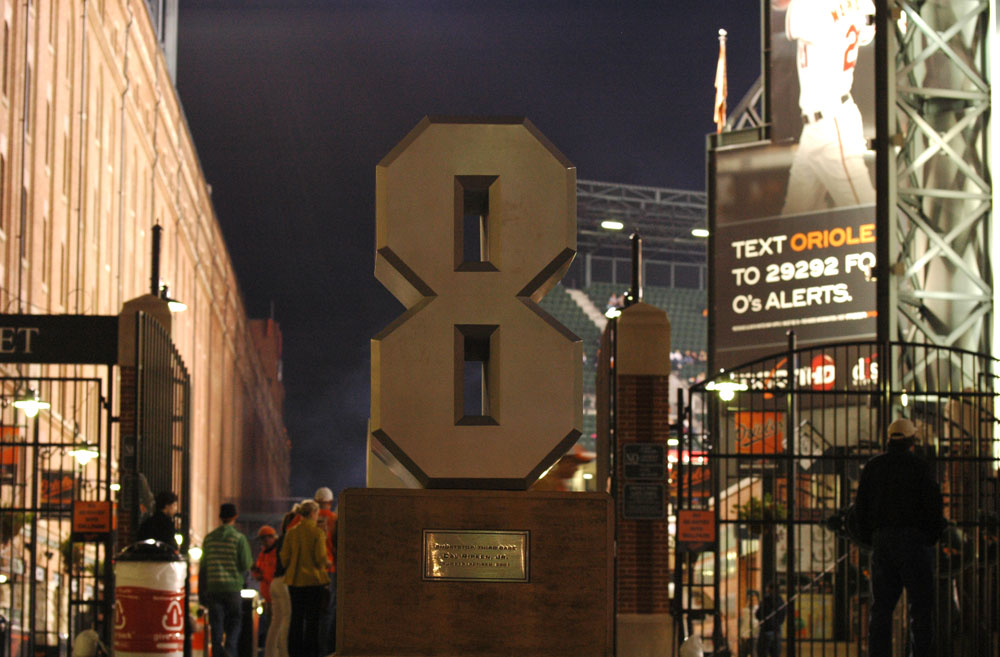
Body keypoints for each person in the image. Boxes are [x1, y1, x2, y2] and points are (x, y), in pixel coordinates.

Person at [854, 418, 945, 657]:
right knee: (921, 610)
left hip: (883, 541)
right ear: (912, 441)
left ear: (888, 440)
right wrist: (931, 536)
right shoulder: (920, 467)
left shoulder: (874, 467)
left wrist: (869, 538)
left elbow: (860, 508)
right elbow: (934, 506)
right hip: (914, 542)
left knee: (881, 610)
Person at [779, 0, 876, 215]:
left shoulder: (811, 4)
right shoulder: (863, 3)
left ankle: (899, 247)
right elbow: (867, 33)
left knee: (865, 212)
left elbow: (780, 4)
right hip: (821, 125)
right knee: (793, 218)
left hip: (832, 125)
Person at [200, 503, 253, 657]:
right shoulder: (239, 538)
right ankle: (230, 649)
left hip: (214, 587)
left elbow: (204, 566)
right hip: (233, 587)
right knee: (235, 620)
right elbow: (245, 564)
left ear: (220, 517)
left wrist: (203, 589)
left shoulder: (209, 539)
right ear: (235, 516)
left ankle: (217, 652)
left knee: (216, 623)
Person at [280, 500, 330, 657]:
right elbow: (320, 558)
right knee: (313, 620)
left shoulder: (291, 532)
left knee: (296, 618)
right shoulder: (318, 533)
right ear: (313, 513)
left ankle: (294, 652)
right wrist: (328, 563)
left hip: (294, 581)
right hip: (314, 582)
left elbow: (284, 558)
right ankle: (311, 652)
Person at [265, 509, 298, 657]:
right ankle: (285, 653)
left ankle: (270, 653)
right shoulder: (290, 538)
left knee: (275, 622)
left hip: (275, 582)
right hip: (285, 581)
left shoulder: (280, 539)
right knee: (286, 619)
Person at [314, 487, 338, 654]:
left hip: (310, 570)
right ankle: (325, 650)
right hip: (330, 569)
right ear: (330, 502)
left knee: (312, 609)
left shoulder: (307, 519)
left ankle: (311, 648)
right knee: (329, 609)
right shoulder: (334, 519)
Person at [252, 525, 279, 653]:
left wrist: (263, 576)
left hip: (277, 598)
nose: (263, 542)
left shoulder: (277, 552)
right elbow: (259, 570)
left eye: (264, 539)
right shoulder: (263, 553)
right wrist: (257, 573)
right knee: (270, 628)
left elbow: (275, 573)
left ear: (271, 538)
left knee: (276, 629)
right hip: (268, 598)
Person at [755, 582, 785, 657]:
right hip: (777, 630)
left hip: (766, 630)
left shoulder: (767, 599)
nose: (766, 590)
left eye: (767, 589)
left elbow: (759, 614)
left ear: (770, 589)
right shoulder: (781, 601)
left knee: (762, 652)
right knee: (775, 654)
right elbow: (783, 616)